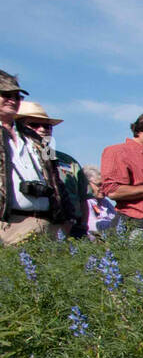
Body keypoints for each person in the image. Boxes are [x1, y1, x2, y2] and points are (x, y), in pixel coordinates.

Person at [1, 71, 76, 245]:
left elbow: (57, 180)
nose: (12, 100)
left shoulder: (41, 141)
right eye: (6, 95)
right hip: (7, 225)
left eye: (17, 96)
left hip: (45, 224)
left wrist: (67, 218)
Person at [16, 100, 87, 238]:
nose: (43, 129)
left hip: (71, 228)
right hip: (26, 226)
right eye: (34, 125)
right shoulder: (12, 158)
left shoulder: (68, 161)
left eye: (47, 126)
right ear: (19, 127)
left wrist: (82, 224)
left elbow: (84, 197)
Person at [83, 166, 117, 237]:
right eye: (99, 185)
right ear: (87, 184)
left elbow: (115, 218)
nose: (103, 188)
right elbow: (91, 225)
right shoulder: (86, 202)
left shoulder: (105, 202)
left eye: (104, 185)